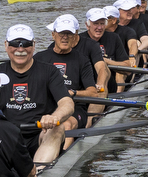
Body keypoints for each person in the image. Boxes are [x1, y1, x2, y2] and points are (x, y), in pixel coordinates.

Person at [0, 24, 75, 165]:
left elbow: (67, 103)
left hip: (38, 136)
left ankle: (37, 171)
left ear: (33, 45)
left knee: (58, 128)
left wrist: (54, 117)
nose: (20, 49)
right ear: (6, 45)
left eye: (26, 44)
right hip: (5, 138)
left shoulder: (49, 71)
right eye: (15, 44)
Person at [36, 14, 103, 145]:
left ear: (75, 36)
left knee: (65, 125)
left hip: (75, 108)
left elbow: (93, 93)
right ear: (53, 35)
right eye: (61, 33)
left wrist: (73, 92)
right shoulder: (39, 58)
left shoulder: (82, 60)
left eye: (69, 34)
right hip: (47, 106)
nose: (65, 37)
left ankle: (64, 154)